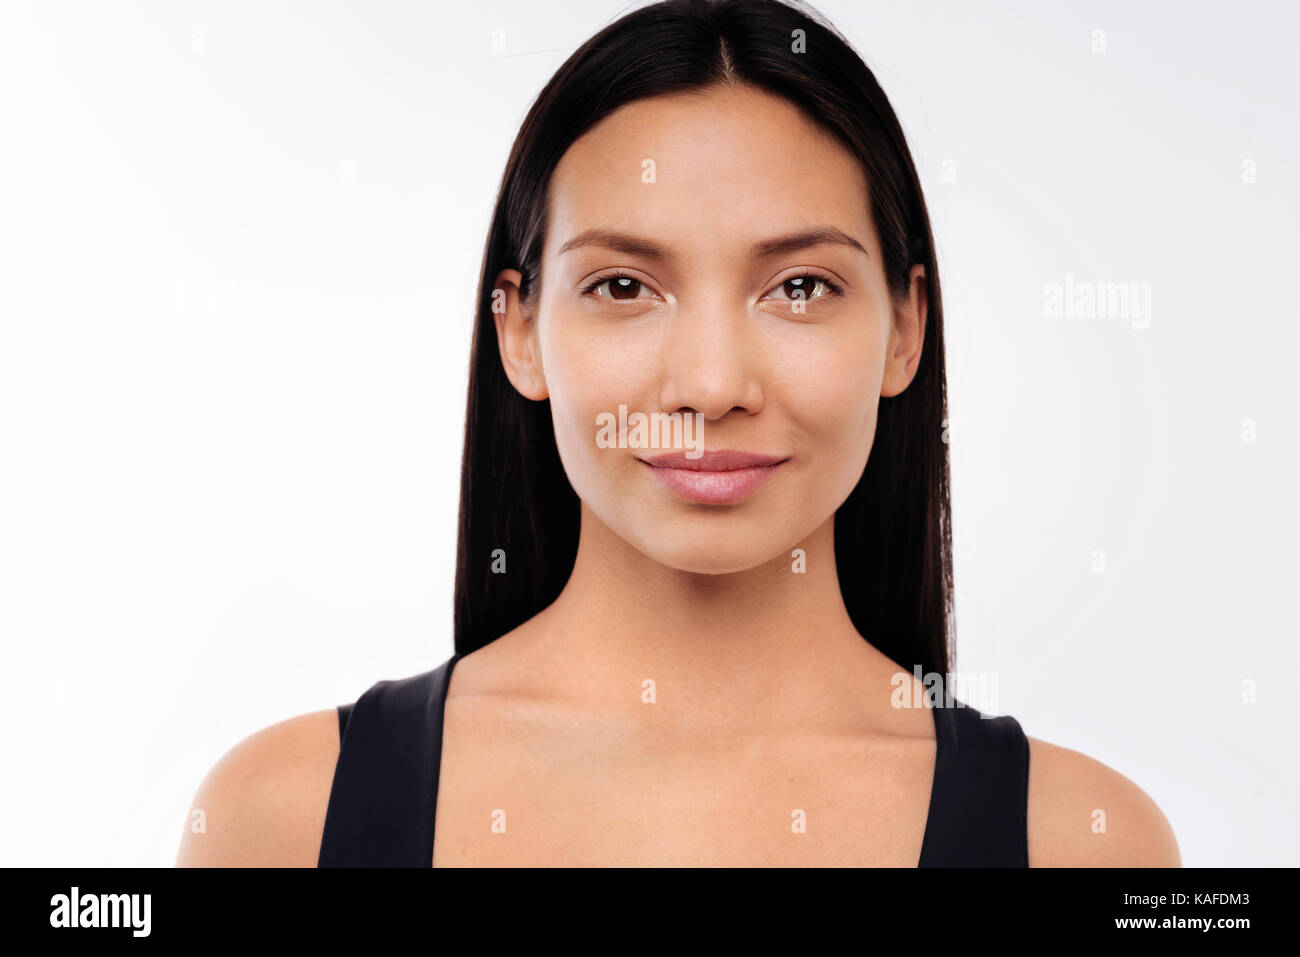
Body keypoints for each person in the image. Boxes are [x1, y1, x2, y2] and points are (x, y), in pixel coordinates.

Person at [176, 0, 1180, 867]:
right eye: (622, 285)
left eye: (799, 287)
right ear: (519, 332)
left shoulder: (1087, 842)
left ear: (904, 330)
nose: (710, 384)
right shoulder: (286, 817)